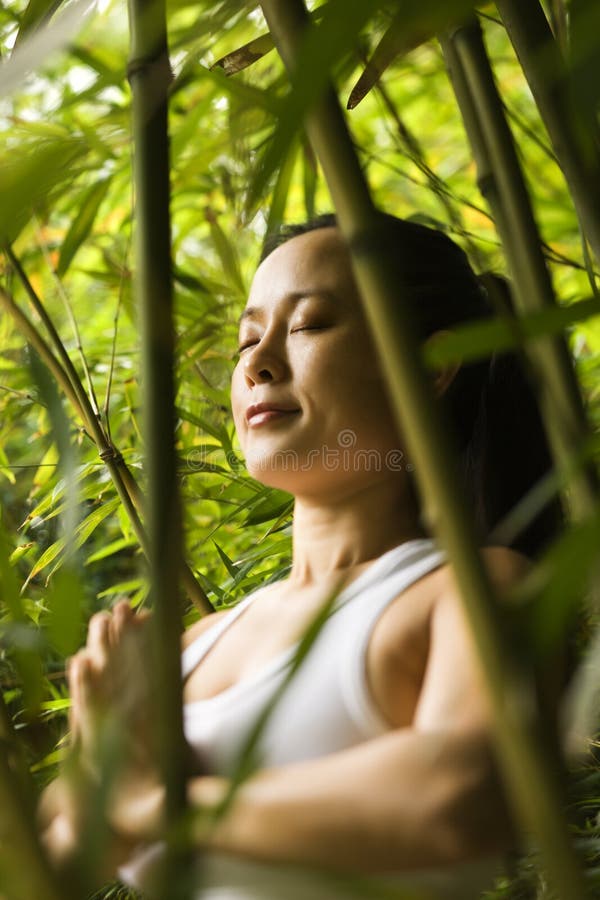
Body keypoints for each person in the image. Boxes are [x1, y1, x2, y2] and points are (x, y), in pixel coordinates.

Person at [40, 213, 563, 898]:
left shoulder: (471, 590)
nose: (257, 362)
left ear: (433, 367)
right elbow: (46, 865)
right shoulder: (179, 651)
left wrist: (156, 805)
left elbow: (459, 796)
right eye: (247, 339)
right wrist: (98, 785)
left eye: (310, 324)